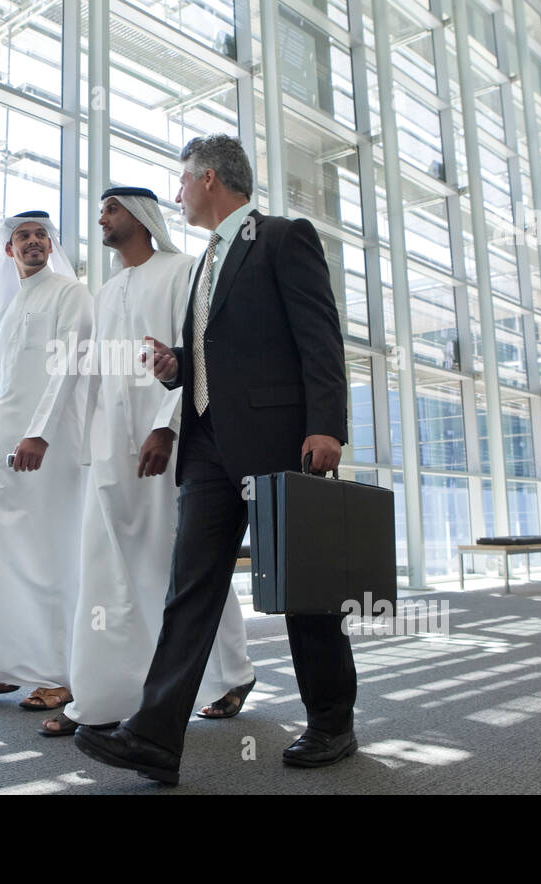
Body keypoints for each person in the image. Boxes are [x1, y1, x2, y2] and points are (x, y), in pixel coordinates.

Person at [74, 135, 353, 785]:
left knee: (306, 593)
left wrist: (327, 428)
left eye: (179, 182)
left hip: (279, 442)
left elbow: (321, 336)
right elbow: (210, 350)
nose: (174, 195)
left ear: (207, 179)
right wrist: (175, 367)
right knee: (190, 588)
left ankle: (332, 722)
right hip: (206, 447)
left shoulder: (283, 238)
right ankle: (152, 737)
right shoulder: (205, 262)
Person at [39, 186, 255, 737]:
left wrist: (167, 423)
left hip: (173, 439)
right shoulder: (107, 291)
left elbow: (198, 354)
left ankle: (232, 671)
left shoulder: (185, 271)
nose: (102, 218)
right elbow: (96, 375)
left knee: (179, 561)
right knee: (110, 563)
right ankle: (109, 693)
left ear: (138, 217)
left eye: (110, 209)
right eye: (102, 210)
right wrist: (86, 442)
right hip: (112, 444)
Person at [0, 211, 93, 710]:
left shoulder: (69, 294)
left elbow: (69, 367)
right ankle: (0, 667)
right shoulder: (9, 305)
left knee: (48, 559)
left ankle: (60, 674)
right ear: (9, 251)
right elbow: (15, 376)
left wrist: (40, 433)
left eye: (40, 236)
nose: (33, 242)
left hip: (48, 450)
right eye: (22, 237)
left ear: (50, 247)